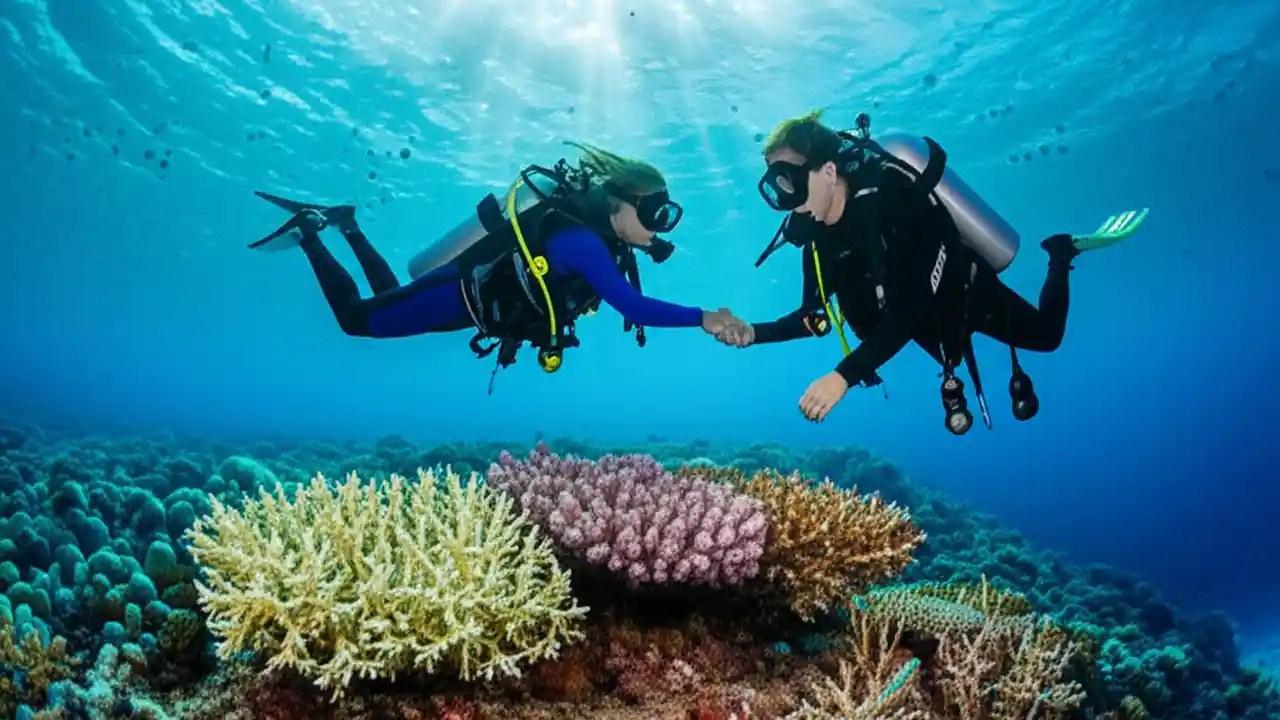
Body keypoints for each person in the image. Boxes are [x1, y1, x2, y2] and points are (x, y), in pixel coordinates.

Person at [718, 110, 1147, 433]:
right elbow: (813, 318)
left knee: (1048, 337)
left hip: (965, 292)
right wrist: (753, 333)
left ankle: (1061, 252)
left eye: (789, 181)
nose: (785, 199)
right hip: (922, 325)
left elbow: (910, 306)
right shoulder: (818, 238)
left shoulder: (891, 203)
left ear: (829, 172)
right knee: (951, 353)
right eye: (775, 187)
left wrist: (842, 377)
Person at [248, 142, 748, 391]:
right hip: (459, 295)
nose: (660, 227)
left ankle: (349, 224)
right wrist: (701, 316)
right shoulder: (582, 241)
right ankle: (310, 231)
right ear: (617, 204)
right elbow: (632, 306)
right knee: (357, 321)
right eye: (654, 213)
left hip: (471, 307)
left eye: (667, 215)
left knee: (393, 296)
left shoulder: (606, 244)